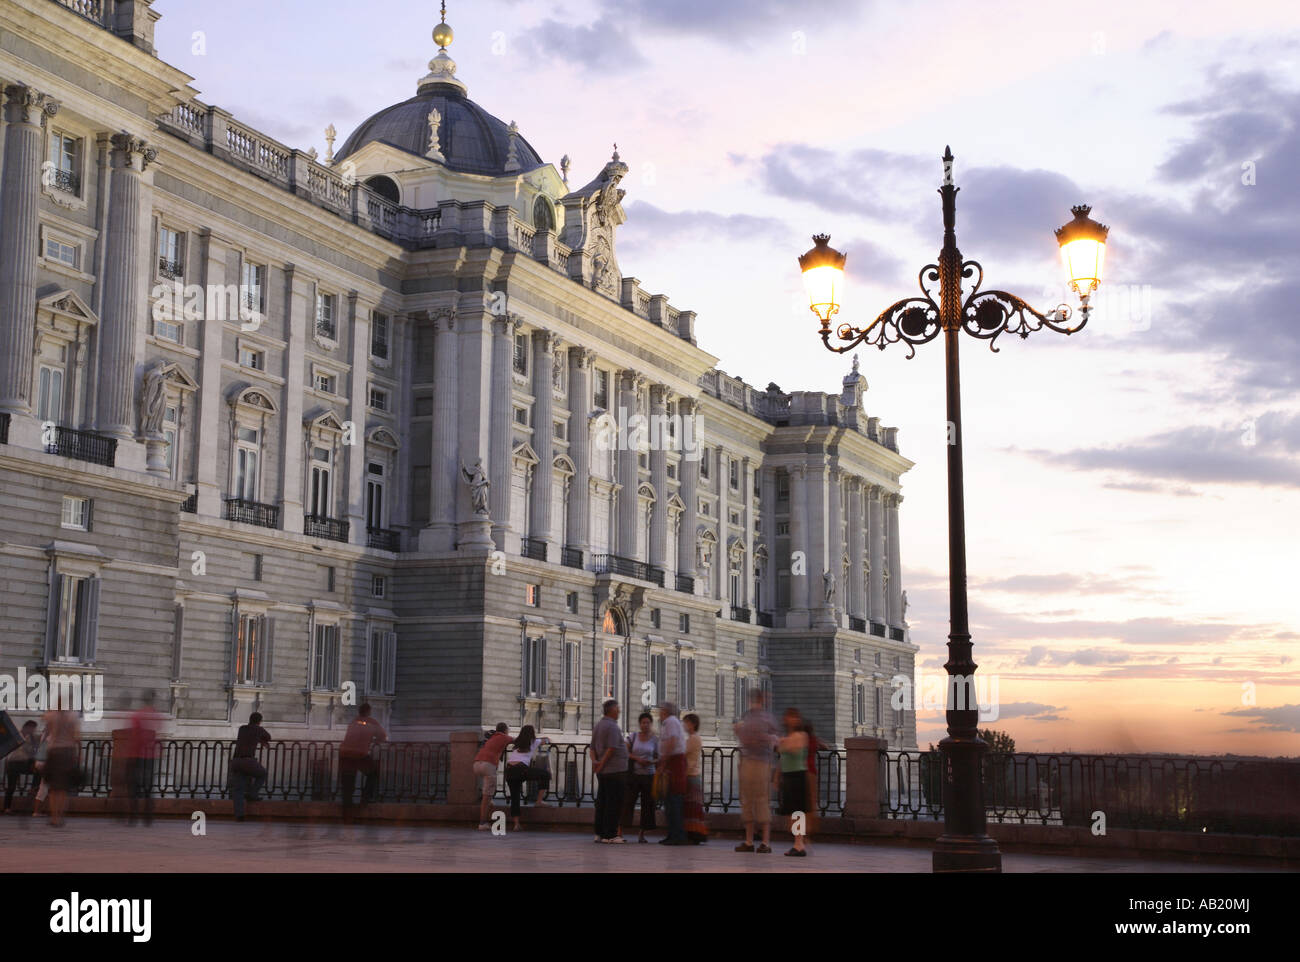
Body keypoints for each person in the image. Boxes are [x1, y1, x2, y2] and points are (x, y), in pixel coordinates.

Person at [733, 689, 778, 853]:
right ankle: (761, 842)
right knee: (758, 801)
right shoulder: (767, 718)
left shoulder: (749, 718)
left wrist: (745, 734)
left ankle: (753, 841)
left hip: (753, 762)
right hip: (759, 762)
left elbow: (770, 739)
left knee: (752, 801)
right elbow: (774, 739)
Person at [339, 703, 387, 824]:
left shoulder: (354, 721)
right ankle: (365, 799)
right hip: (360, 754)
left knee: (348, 785)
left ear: (359, 711)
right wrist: (374, 740)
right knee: (373, 773)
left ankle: (347, 816)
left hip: (345, 753)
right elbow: (383, 736)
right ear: (369, 712)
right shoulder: (372, 722)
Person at [589, 699, 628, 843]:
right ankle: (610, 834)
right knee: (613, 803)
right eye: (617, 709)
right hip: (615, 770)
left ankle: (599, 832)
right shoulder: (612, 727)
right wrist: (601, 764)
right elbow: (611, 749)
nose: (619, 711)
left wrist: (595, 762)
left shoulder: (598, 725)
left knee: (602, 802)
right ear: (611, 710)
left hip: (604, 771)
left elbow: (592, 748)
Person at [125, 691, 163, 826]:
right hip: (150, 755)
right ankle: (148, 816)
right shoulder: (156, 716)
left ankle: (133, 816)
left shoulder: (138, 715)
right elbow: (158, 734)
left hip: (136, 754)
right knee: (148, 786)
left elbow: (134, 735)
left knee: (134, 786)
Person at [504, 724, 551, 831]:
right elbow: (547, 740)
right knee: (545, 775)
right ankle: (539, 801)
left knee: (515, 797)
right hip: (521, 769)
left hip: (509, 770)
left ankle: (516, 824)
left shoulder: (516, 743)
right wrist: (546, 739)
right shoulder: (533, 741)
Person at [777, 708, 810, 856]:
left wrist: (783, 743)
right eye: (788, 717)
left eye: (792, 717)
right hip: (789, 776)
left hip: (797, 776)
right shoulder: (789, 736)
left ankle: (799, 844)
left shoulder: (801, 735)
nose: (789, 720)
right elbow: (781, 752)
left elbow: (792, 749)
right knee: (791, 812)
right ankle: (798, 842)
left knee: (797, 812)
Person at [42, 703, 81, 828]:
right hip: (68, 752)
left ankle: (54, 817)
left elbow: (46, 735)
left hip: (54, 752)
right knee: (64, 788)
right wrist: (79, 753)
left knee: (53, 788)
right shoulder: (73, 716)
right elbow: (76, 736)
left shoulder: (50, 715)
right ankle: (61, 815)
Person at [623, 711, 659, 842]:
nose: (645, 725)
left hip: (649, 775)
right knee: (628, 802)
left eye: (648, 723)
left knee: (647, 806)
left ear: (651, 724)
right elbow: (625, 751)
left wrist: (651, 762)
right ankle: (620, 831)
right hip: (634, 775)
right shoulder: (633, 737)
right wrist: (637, 758)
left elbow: (658, 757)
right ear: (639, 724)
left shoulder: (655, 740)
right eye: (643, 723)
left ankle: (642, 833)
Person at [229, 712, 271, 821]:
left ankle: (239, 815)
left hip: (236, 761)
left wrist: (258, 739)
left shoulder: (242, 728)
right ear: (259, 721)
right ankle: (252, 793)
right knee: (263, 774)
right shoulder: (258, 729)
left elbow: (247, 737)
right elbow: (268, 737)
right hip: (248, 761)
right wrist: (262, 740)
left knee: (238, 789)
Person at [656, 702, 688, 845]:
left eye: (661, 710)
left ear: (666, 711)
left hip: (674, 762)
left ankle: (676, 835)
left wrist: (663, 761)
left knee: (673, 800)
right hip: (673, 762)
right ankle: (673, 834)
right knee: (670, 800)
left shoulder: (670, 722)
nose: (659, 713)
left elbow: (672, 741)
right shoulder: (670, 722)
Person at [473, 722, 511, 830]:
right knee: (487, 795)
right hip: (488, 765)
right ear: (505, 730)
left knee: (487, 794)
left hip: (477, 763)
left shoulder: (492, 735)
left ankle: (488, 802)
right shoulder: (504, 737)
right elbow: (519, 740)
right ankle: (482, 823)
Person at [3, 720, 41, 814]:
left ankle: (32, 788)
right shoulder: (20, 736)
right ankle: (7, 808)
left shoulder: (28, 737)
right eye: (33, 728)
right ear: (28, 727)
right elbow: (30, 751)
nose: (33, 730)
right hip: (16, 762)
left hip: (17, 762)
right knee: (11, 786)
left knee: (11, 786)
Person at [682, 713, 708, 844]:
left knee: (692, 807)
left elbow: (683, 752)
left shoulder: (693, 739)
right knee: (692, 806)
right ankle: (694, 833)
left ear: (692, 724)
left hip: (691, 775)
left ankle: (694, 834)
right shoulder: (694, 738)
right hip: (692, 774)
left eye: (685, 723)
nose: (684, 725)